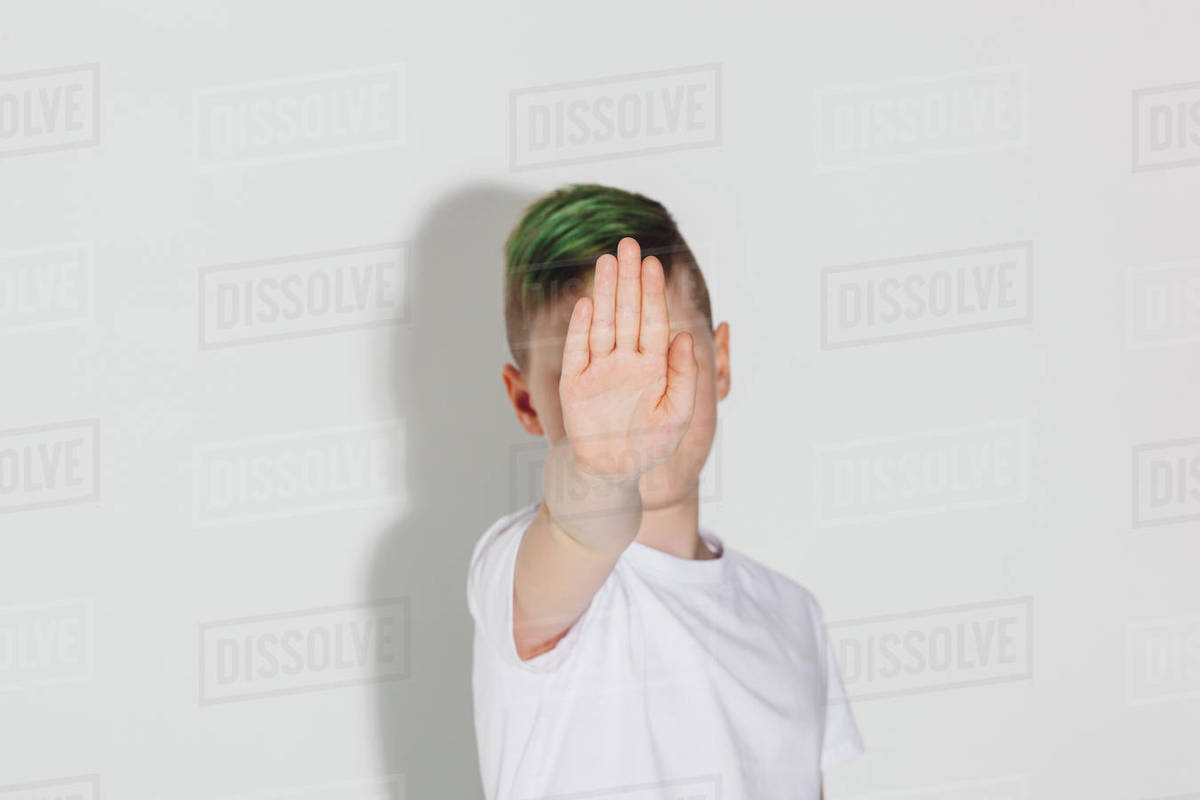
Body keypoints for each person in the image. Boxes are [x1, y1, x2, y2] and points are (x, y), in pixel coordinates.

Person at [468, 184, 862, 799]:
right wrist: (603, 467)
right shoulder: (524, 580)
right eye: (588, 371)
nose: (638, 405)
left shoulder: (794, 615)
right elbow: (580, 528)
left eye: (661, 357)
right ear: (527, 402)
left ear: (721, 360)